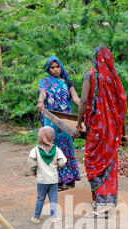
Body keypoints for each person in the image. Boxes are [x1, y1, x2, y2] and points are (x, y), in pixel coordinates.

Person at [76, 47, 128, 216]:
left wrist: (78, 123)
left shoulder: (90, 75)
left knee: (93, 161)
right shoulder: (114, 78)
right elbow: (121, 107)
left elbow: (83, 101)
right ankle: (108, 202)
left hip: (96, 128)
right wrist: (124, 132)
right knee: (110, 162)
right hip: (112, 129)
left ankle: (100, 202)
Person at [37, 56, 81, 191]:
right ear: (48, 69)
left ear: (61, 67)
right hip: (51, 119)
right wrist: (40, 102)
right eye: (52, 67)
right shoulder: (45, 82)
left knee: (66, 148)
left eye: (57, 67)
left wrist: (86, 107)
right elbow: (43, 94)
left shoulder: (67, 82)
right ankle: (56, 181)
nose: (56, 70)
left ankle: (68, 180)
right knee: (53, 148)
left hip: (65, 120)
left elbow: (75, 98)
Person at [28, 126, 67, 223]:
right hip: (53, 179)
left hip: (41, 180)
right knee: (53, 199)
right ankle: (54, 217)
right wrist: (57, 166)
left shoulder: (35, 150)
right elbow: (63, 161)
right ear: (52, 137)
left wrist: (34, 171)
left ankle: (36, 217)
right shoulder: (56, 150)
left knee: (40, 198)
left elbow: (31, 162)